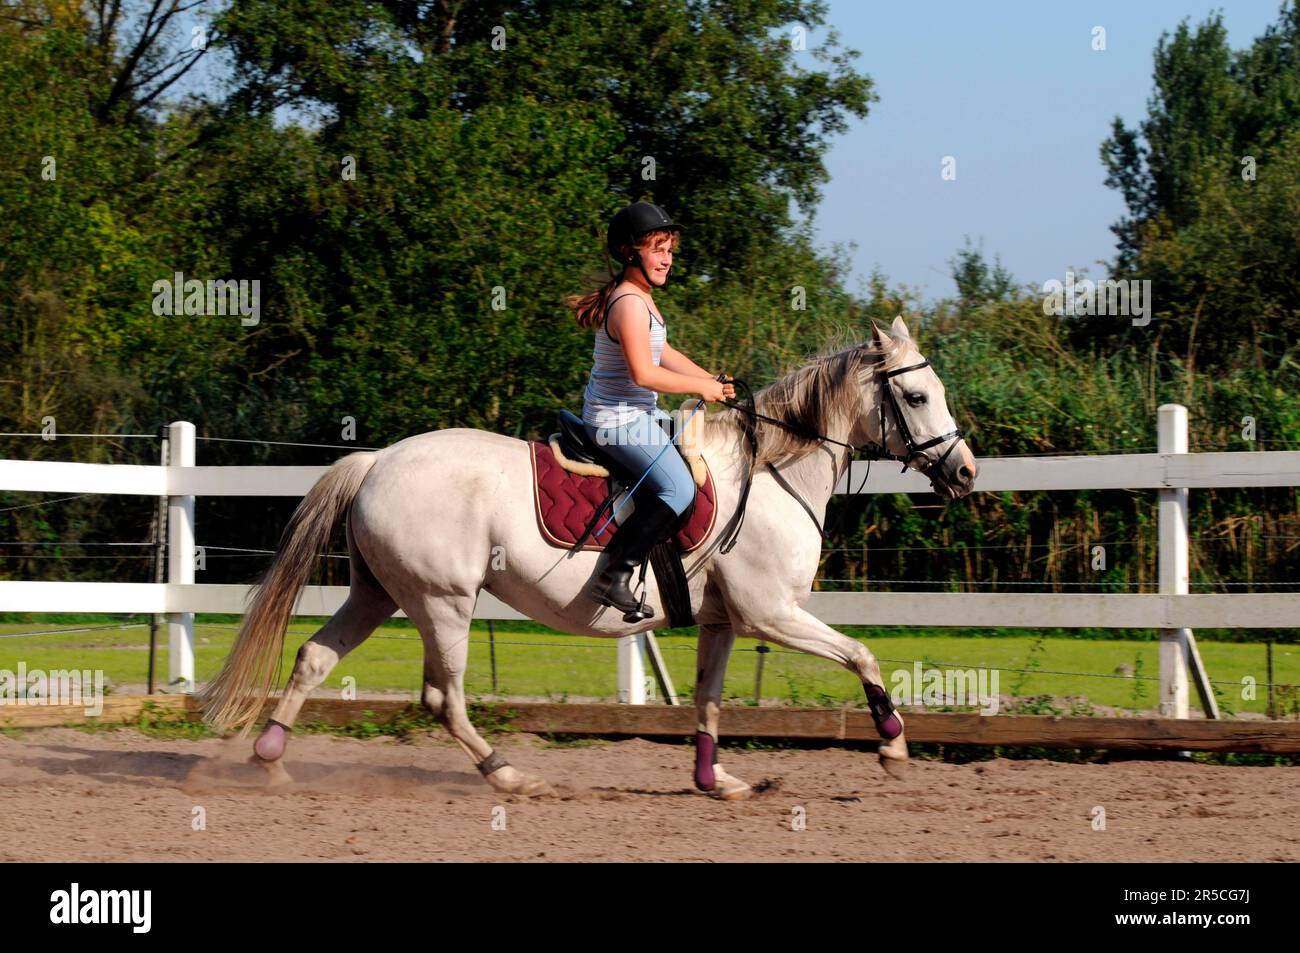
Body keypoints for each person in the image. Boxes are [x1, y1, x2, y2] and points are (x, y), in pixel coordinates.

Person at [566, 202, 735, 617]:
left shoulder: (640, 299)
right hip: (615, 421)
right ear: (630, 253)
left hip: (635, 416)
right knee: (678, 488)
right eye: (658, 249)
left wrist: (712, 381)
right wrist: (700, 388)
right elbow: (645, 373)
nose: (667, 259)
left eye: (670, 250)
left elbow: (665, 352)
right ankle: (615, 574)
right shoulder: (628, 302)